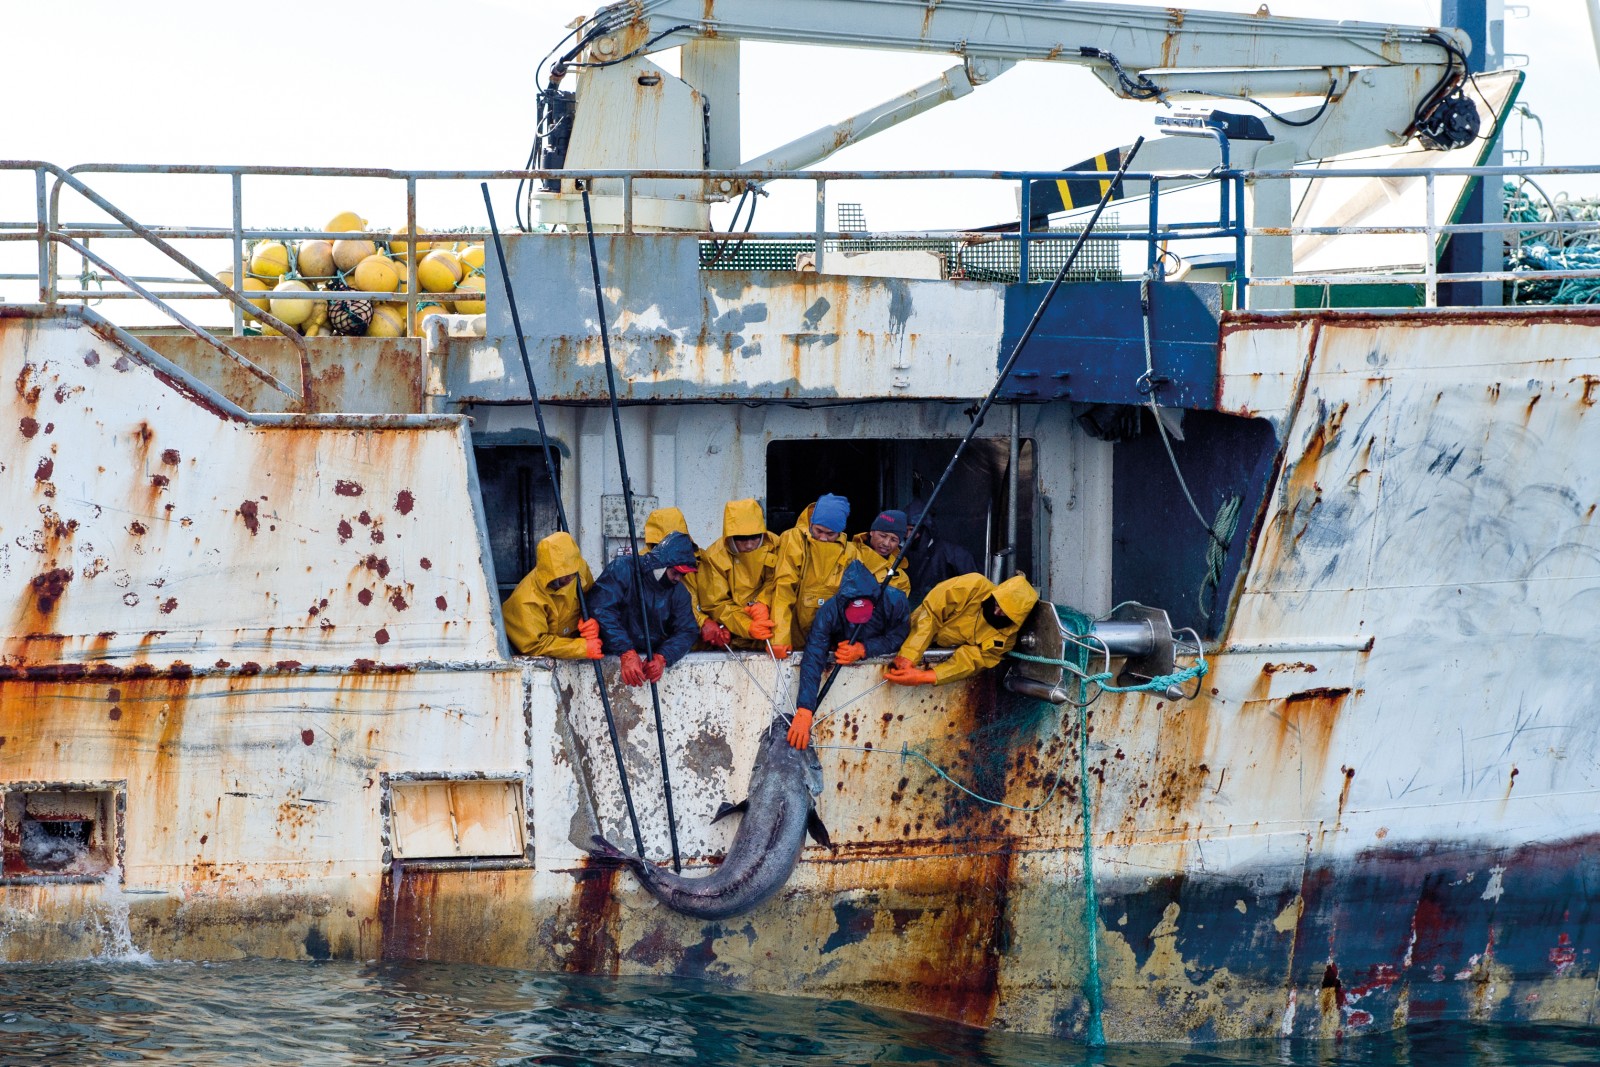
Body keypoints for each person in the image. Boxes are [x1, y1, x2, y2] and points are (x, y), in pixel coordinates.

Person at [788, 560, 911, 749]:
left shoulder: (894, 601)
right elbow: (814, 654)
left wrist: (865, 649)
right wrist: (805, 708)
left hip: (879, 683)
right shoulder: (830, 610)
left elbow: (900, 635)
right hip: (840, 667)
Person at [884, 573, 1039, 687]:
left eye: (1005, 613)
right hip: (908, 633)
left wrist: (925, 676)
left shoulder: (1007, 638)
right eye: (998, 604)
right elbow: (931, 614)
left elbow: (972, 661)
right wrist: (909, 655)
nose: (997, 612)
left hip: (936, 653)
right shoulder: (973, 585)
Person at [589, 530, 701, 686]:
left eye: (682, 575)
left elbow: (688, 630)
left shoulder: (679, 592)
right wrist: (625, 652)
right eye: (675, 572)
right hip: (608, 657)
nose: (678, 578)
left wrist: (663, 657)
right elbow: (601, 609)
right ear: (662, 565)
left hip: (646, 662)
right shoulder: (623, 569)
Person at [771, 493, 858, 658]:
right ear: (811, 522)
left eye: (830, 534)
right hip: (791, 638)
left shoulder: (851, 551)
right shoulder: (793, 539)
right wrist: (779, 637)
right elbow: (783, 590)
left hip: (827, 642)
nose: (823, 538)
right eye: (818, 531)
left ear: (841, 531)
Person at [501, 531, 602, 659]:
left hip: (571, 641)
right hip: (545, 654)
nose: (568, 579)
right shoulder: (526, 600)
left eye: (571, 574)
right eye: (561, 577)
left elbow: (592, 597)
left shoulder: (578, 568)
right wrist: (581, 648)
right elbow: (535, 645)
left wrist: (591, 618)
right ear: (548, 572)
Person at [695, 498, 780, 650]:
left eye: (754, 537)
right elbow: (716, 604)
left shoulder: (776, 545)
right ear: (729, 536)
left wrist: (763, 602)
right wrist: (747, 625)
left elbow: (780, 581)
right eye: (741, 538)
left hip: (771, 630)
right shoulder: (714, 556)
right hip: (733, 636)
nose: (748, 544)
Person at [903, 500, 979, 608]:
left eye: (912, 530)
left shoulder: (955, 555)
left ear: (925, 529)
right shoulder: (898, 553)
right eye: (905, 530)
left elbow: (974, 590)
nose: (908, 536)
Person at [849, 509, 911, 597]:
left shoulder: (901, 578)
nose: (886, 543)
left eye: (893, 540)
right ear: (872, 532)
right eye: (883, 536)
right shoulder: (847, 553)